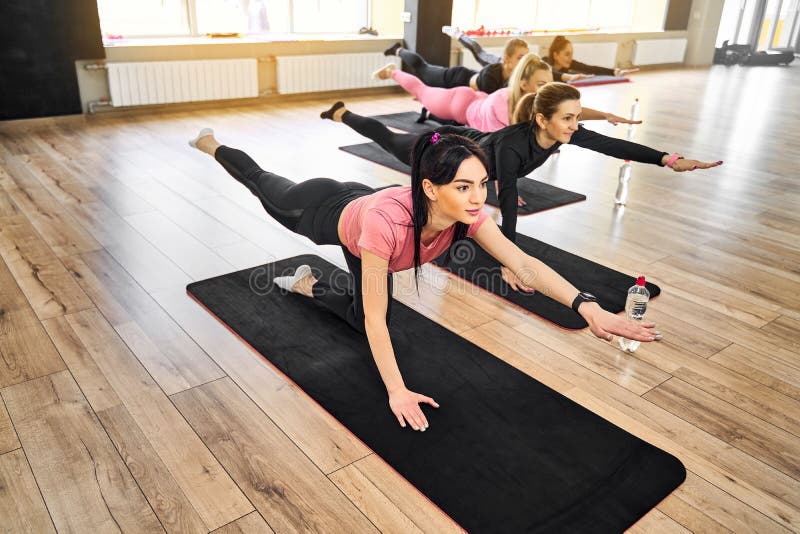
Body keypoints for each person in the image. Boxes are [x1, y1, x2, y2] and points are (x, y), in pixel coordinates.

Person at [189, 129, 662, 431]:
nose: (478, 198)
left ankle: (307, 284)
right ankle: (212, 145)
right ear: (431, 189)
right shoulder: (388, 226)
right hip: (319, 210)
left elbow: (524, 263)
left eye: (482, 184)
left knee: (357, 315)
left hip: (369, 207)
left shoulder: (467, 212)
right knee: (261, 182)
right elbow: (378, 320)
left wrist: (589, 307)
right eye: (463, 186)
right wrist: (396, 389)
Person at [321, 83, 721, 288]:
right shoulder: (513, 146)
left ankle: (344, 114)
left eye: (577, 118)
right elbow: (506, 199)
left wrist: (668, 159)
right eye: (568, 118)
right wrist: (509, 261)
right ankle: (345, 114)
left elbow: (610, 145)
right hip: (447, 151)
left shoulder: (561, 133)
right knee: (391, 141)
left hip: (474, 152)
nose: (575, 126)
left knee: (394, 141)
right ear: (543, 119)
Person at [373, 53, 639, 132]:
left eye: (549, 83)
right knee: (422, 90)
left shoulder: (528, 100)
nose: (546, 91)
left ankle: (394, 73)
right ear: (524, 85)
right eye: (541, 85)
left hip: (474, 100)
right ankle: (392, 71)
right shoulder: (504, 101)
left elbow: (568, 110)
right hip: (458, 105)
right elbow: (498, 147)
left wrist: (606, 114)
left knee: (422, 92)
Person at [442, 26, 596, 84]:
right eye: (520, 57)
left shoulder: (527, 68)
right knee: (478, 51)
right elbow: (478, 50)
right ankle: (458, 34)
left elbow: (548, 73)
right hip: (495, 63)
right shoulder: (497, 66)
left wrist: (570, 77)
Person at [383, 37, 529, 94]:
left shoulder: (515, 76)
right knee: (423, 69)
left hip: (462, 89)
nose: (523, 63)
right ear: (506, 58)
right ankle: (398, 50)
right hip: (453, 78)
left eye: (526, 58)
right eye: (520, 58)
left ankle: (427, 114)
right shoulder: (492, 74)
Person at [545, 35, 640, 78]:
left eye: (571, 54)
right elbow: (551, 74)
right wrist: (570, 77)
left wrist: (615, 72)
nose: (570, 58)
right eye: (567, 54)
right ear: (555, 55)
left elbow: (591, 69)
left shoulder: (569, 64)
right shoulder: (543, 63)